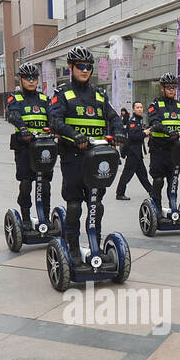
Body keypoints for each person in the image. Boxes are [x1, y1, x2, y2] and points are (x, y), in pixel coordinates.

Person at [47, 46, 123, 257]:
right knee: (74, 206)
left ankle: (95, 246)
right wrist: (74, 136)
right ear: (71, 67)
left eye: (88, 67)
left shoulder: (99, 95)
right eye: (80, 66)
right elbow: (54, 120)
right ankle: (71, 247)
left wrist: (118, 132)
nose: (85, 70)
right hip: (73, 158)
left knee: (95, 205)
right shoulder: (62, 94)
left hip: (97, 159)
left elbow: (114, 117)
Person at [5, 63, 54, 226]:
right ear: (21, 80)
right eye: (27, 78)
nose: (31, 81)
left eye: (34, 78)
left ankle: (45, 217)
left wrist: (56, 128)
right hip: (25, 147)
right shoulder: (16, 98)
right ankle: (25, 217)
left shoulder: (43, 99)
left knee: (45, 185)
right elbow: (13, 114)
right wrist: (23, 129)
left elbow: (52, 117)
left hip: (43, 146)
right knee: (26, 183)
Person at [146, 72, 180, 213]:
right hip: (159, 149)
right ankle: (156, 206)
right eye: (168, 87)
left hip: (175, 150)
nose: (171, 90)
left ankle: (173, 207)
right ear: (162, 88)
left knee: (173, 179)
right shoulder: (155, 104)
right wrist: (168, 132)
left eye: (174, 87)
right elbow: (154, 122)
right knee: (158, 180)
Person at [114, 100, 153, 201]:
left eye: (141, 107)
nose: (140, 109)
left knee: (142, 174)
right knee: (127, 174)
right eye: (137, 107)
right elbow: (133, 136)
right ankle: (120, 193)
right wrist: (145, 133)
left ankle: (152, 192)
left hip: (137, 153)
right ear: (133, 109)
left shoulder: (138, 120)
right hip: (132, 152)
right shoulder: (133, 121)